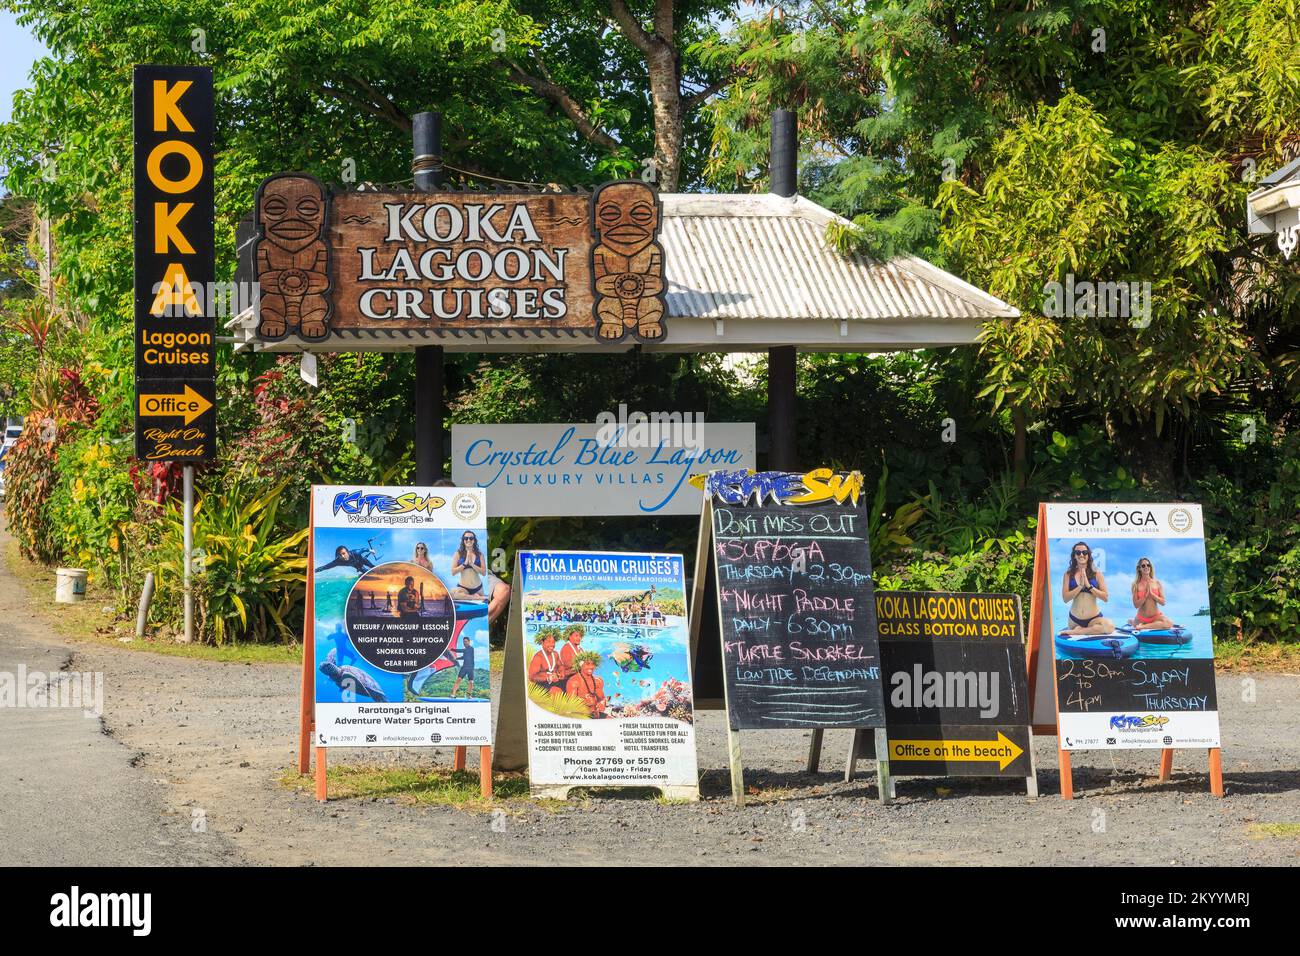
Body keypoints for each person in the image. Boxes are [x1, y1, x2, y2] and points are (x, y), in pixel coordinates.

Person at [1060, 542, 1113, 634]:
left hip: (1094, 619)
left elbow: (1105, 597)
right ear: (1074, 556)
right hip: (1074, 620)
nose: (1081, 555)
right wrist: (1080, 586)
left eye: (1084, 552)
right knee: (1101, 628)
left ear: (1088, 555)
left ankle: (1078, 632)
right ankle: (1080, 630)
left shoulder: (1097, 573)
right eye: (1078, 552)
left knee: (1110, 626)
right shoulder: (1068, 574)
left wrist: (1089, 586)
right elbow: (1065, 598)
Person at [1130, 558, 1176, 630]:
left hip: (1156, 617)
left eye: (1148, 565)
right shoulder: (1135, 585)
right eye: (1143, 566)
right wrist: (1145, 596)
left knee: (1169, 623)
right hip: (1141, 618)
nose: (1146, 567)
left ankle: (1143, 626)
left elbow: (1163, 602)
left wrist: (1152, 595)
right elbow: (1136, 605)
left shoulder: (1157, 583)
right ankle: (1131, 621)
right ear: (1139, 568)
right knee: (1133, 623)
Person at [565, 651, 607, 717]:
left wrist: (602, 703)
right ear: (581, 665)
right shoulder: (574, 682)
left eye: (593, 664)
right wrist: (586, 703)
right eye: (587, 664)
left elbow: (602, 698)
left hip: (596, 714)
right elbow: (571, 706)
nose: (591, 667)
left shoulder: (598, 681)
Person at [528, 627, 566, 696]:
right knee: (557, 692)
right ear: (542, 643)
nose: (552, 645)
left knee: (569, 684)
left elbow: (560, 666)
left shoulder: (555, 654)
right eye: (549, 642)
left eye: (553, 642)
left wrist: (562, 672)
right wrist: (548, 677)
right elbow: (531, 677)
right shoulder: (538, 657)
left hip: (555, 681)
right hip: (541, 684)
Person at [451, 530, 488, 601]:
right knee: (452, 594)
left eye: (471, 538)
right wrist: (465, 563)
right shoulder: (458, 554)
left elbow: (483, 573)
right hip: (463, 588)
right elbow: (453, 572)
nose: (468, 540)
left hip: (478, 588)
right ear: (463, 540)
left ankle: (473, 596)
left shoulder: (479, 554)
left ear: (474, 540)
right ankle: (475, 597)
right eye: (466, 538)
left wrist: (472, 564)